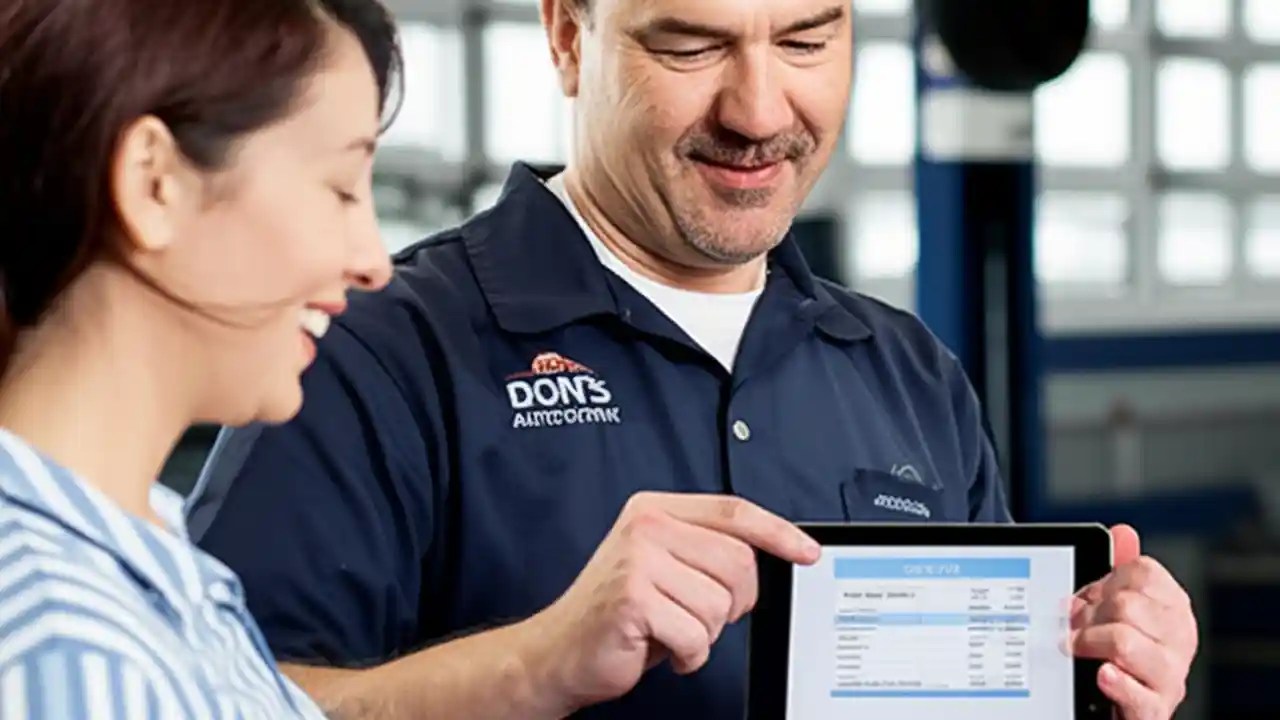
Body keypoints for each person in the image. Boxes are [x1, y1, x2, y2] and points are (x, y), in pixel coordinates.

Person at [191, 0, 1200, 717]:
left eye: (805, 38)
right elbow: (200, 700)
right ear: (565, 36)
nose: (758, 112)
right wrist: (531, 666)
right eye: (688, 46)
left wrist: (1089, 677)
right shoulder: (372, 350)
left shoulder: (905, 371)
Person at [0, 0, 398, 715]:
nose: (374, 262)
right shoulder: (75, 655)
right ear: (154, 183)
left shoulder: (146, 559)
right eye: (341, 189)